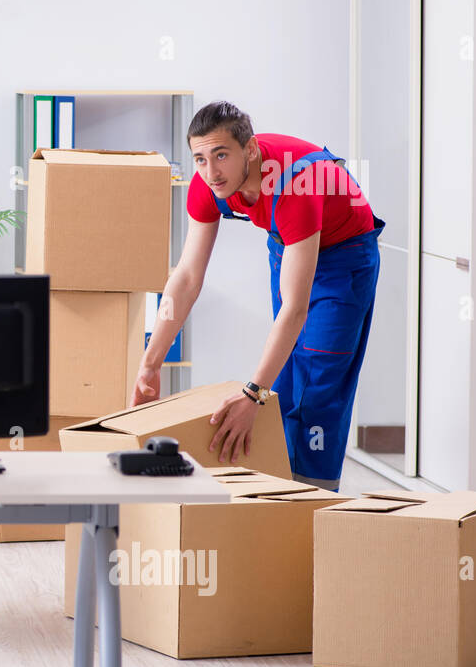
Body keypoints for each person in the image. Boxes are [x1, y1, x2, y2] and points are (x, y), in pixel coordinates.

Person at [130, 101, 385, 491]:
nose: (211, 172)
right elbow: (186, 278)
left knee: (317, 378)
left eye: (221, 156)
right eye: (199, 158)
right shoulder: (206, 184)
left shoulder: (297, 185)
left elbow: (295, 309)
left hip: (346, 254)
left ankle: (310, 503)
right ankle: (276, 496)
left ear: (249, 151)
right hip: (288, 243)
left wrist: (251, 394)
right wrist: (151, 364)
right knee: (283, 380)